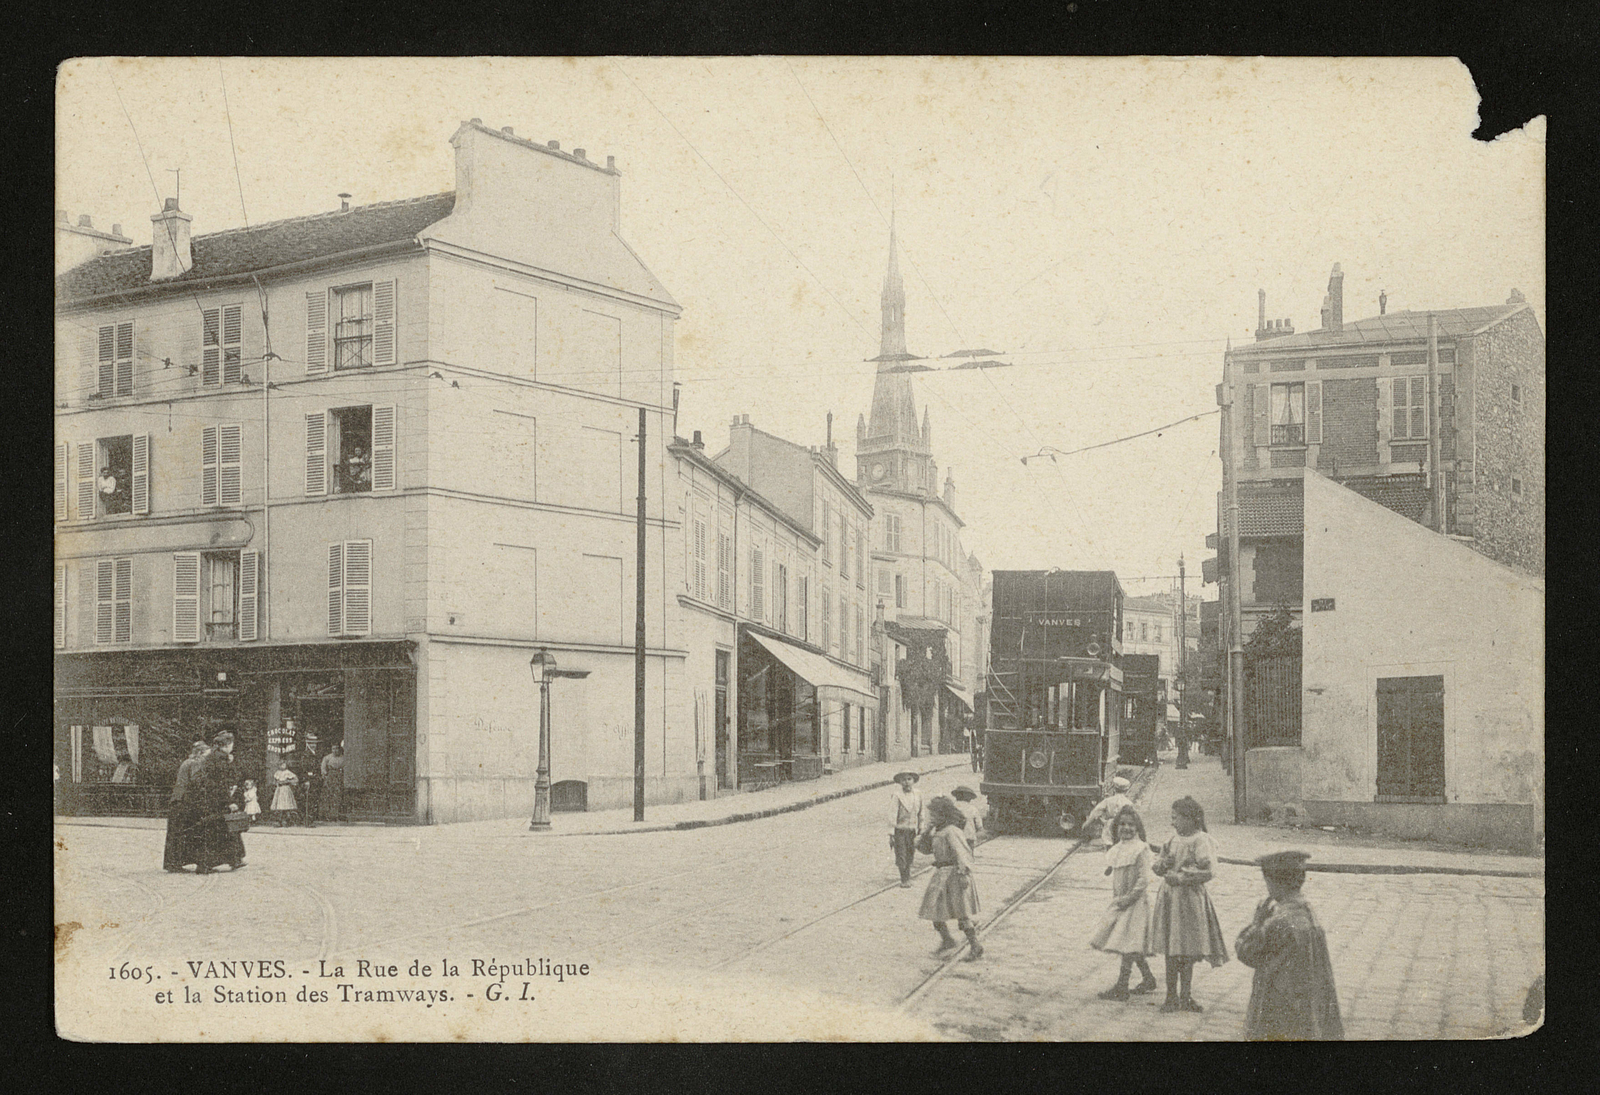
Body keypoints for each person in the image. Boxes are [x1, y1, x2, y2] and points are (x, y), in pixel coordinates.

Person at [1235, 850, 1345, 1040]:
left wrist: (1257, 923)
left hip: (1279, 1000)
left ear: (1273, 882)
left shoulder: (1278, 921)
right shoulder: (1308, 912)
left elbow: (1246, 952)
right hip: (1306, 998)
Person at [1148, 795, 1229, 1012]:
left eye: (1176, 818)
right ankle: (1171, 996)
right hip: (1170, 900)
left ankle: (1185, 995)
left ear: (1191, 819)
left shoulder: (1201, 840)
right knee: (1172, 948)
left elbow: (1208, 870)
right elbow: (1157, 865)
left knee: (1186, 948)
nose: (1172, 822)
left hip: (1189, 900)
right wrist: (1162, 864)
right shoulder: (1172, 840)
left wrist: (1182, 878)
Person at [1090, 806, 1160, 999]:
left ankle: (1122, 986)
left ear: (1138, 827)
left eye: (1131, 824)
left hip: (1135, 902)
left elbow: (1144, 878)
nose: (1126, 828)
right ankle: (1148, 978)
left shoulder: (1141, 849)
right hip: (1121, 900)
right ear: (1116, 827)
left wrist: (1130, 898)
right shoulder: (1118, 848)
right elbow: (1118, 869)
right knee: (1130, 942)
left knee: (1128, 943)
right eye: (1122, 824)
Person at [919, 795, 983, 960]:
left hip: (955, 874)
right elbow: (924, 849)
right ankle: (947, 940)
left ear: (943, 814)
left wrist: (963, 874)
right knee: (933, 910)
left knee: (962, 913)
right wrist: (926, 832)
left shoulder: (952, 831)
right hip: (941, 875)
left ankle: (975, 945)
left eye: (934, 814)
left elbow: (962, 854)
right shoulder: (938, 831)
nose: (931, 818)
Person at [190, 732, 243, 873]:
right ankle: (206, 865)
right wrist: (229, 801)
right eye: (232, 744)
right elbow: (221, 783)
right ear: (227, 744)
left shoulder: (212, 757)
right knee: (216, 831)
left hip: (208, 799)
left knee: (216, 831)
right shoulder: (220, 759)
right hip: (216, 801)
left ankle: (233, 859)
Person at [163, 741, 209, 872]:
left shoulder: (187, 762)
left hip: (177, 799)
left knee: (175, 832)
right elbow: (195, 781)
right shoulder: (196, 763)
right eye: (206, 754)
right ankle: (177, 863)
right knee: (184, 832)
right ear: (200, 753)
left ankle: (172, 863)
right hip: (184, 801)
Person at [889, 771, 924, 888]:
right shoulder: (897, 795)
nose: (906, 782)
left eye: (909, 779)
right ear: (900, 782)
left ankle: (908, 875)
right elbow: (892, 814)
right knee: (901, 854)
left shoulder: (918, 794)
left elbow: (921, 812)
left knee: (910, 853)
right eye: (903, 780)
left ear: (913, 781)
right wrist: (891, 833)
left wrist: (921, 827)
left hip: (912, 830)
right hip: (900, 830)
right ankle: (904, 879)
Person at [1083, 776, 1135, 849]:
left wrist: (1087, 823)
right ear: (1126, 790)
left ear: (1114, 789)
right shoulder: (1129, 803)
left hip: (1110, 825)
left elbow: (1096, 812)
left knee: (1109, 845)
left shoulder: (1108, 801)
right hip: (1123, 825)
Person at [949, 784, 983, 855]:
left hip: (954, 836)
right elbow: (979, 825)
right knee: (969, 856)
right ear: (969, 798)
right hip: (969, 836)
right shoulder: (973, 809)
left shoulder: (951, 807)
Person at [269, 756, 300, 826]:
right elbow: (274, 781)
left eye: (284, 764)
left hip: (285, 789)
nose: (282, 766)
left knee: (286, 804)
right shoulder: (277, 773)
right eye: (281, 764)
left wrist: (288, 781)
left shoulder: (288, 772)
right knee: (279, 804)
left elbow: (296, 780)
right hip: (279, 789)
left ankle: (286, 820)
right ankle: (279, 820)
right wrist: (277, 783)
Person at [320, 744, 346, 822]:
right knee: (328, 796)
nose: (335, 750)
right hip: (330, 777)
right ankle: (326, 815)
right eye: (333, 749)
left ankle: (336, 815)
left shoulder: (343, 758)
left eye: (336, 749)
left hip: (339, 777)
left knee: (337, 796)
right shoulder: (327, 758)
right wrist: (325, 775)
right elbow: (323, 768)